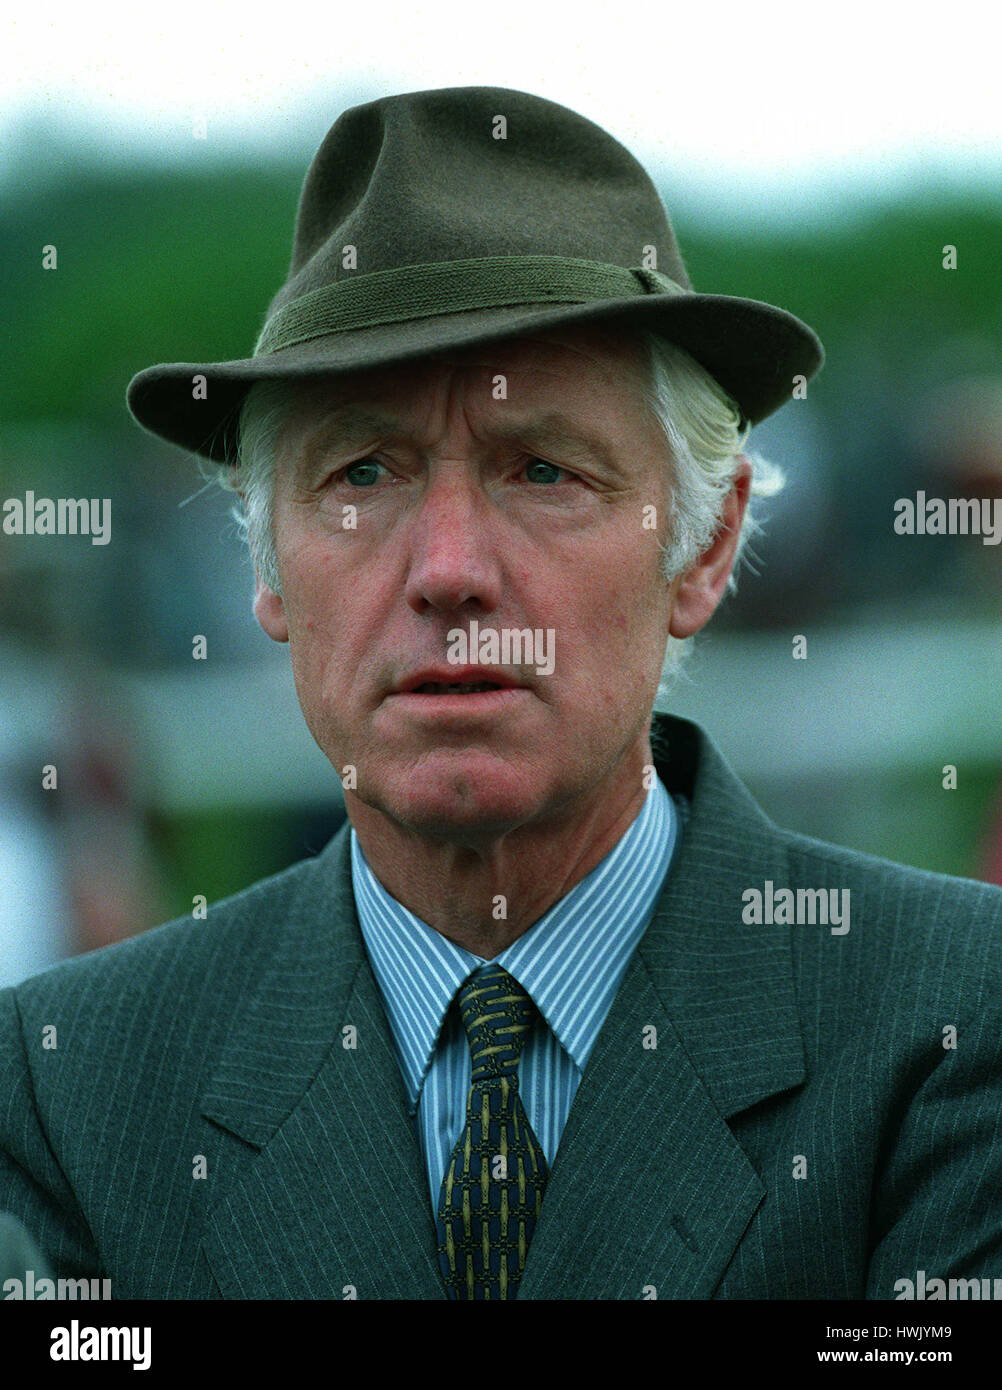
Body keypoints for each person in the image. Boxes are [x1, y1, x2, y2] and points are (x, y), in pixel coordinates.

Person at [2, 86, 1000, 1302]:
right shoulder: (70, 1085)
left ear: (705, 545)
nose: (450, 571)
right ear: (266, 563)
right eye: (362, 472)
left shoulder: (956, 1022)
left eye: (542, 469)